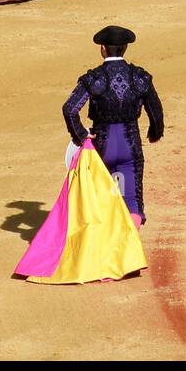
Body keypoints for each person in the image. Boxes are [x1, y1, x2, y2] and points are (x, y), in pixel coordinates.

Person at [61, 25, 164, 228]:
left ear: (102, 49)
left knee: (102, 200)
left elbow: (70, 109)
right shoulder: (139, 77)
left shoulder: (95, 78)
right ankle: (130, 250)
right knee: (132, 201)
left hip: (102, 147)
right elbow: (156, 111)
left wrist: (81, 135)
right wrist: (155, 132)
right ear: (125, 48)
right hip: (130, 146)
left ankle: (105, 248)